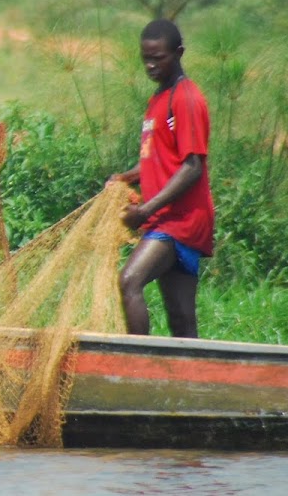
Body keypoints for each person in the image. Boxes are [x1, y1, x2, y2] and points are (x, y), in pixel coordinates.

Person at [109, 19, 214, 338]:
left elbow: (192, 166)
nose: (151, 65)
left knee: (129, 281)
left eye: (159, 58)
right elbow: (158, 161)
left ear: (179, 53)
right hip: (166, 218)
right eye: (146, 59)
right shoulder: (158, 100)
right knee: (181, 317)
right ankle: (189, 384)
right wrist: (124, 178)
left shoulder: (186, 99)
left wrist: (145, 210)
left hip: (179, 221)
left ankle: (140, 367)